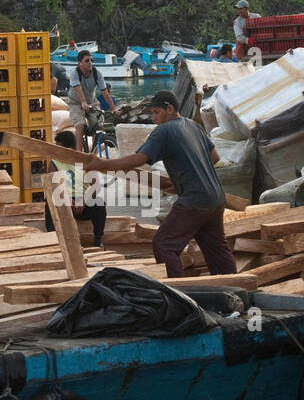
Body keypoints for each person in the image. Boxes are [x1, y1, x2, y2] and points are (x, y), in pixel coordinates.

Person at [84, 90, 236, 278]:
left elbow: (139, 159)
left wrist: (102, 165)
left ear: (170, 108)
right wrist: (181, 179)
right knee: (216, 248)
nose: (154, 118)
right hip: (216, 198)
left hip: (194, 200)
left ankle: (177, 294)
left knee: (164, 244)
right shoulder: (193, 125)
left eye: (157, 112)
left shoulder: (163, 131)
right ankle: (237, 287)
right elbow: (214, 157)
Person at [44, 130, 107, 247]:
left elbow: (96, 186)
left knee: (99, 203)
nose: (57, 150)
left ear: (68, 147)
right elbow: (52, 188)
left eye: (59, 147)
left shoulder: (85, 162)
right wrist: (68, 200)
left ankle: (98, 239)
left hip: (83, 201)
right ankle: (53, 240)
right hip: (64, 201)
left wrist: (83, 200)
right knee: (50, 202)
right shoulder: (54, 163)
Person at [68, 49, 119, 150]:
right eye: (87, 61)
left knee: (98, 125)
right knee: (80, 125)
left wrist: (113, 109)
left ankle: (94, 151)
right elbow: (78, 89)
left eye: (91, 60)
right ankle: (78, 154)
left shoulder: (97, 73)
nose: (90, 63)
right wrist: (83, 102)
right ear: (80, 63)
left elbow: (104, 91)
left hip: (92, 102)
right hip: (76, 103)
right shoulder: (75, 73)